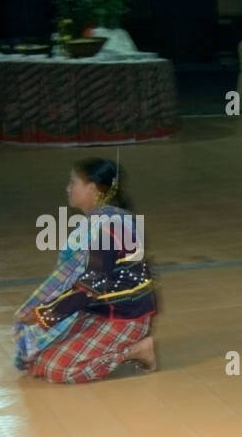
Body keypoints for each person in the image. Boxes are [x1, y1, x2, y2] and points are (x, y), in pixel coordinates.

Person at [13, 159, 157, 383]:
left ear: (92, 189)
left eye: (73, 182)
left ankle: (136, 350)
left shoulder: (110, 227)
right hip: (97, 311)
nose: (68, 188)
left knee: (57, 370)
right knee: (38, 362)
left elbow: (92, 284)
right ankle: (120, 348)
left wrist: (44, 314)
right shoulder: (99, 223)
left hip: (124, 317)